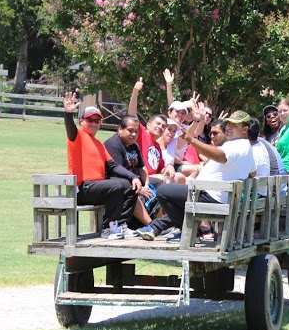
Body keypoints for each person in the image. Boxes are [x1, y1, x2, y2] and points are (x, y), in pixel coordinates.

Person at [136, 106, 256, 242]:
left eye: (234, 125)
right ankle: (154, 227)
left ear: (245, 129)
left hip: (209, 195)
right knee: (179, 196)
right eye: (228, 123)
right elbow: (253, 173)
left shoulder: (235, 145)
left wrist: (192, 140)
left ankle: (188, 231)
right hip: (214, 195)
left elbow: (220, 156)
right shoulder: (246, 148)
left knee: (164, 191)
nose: (229, 127)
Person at [62, 92, 140, 239]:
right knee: (115, 186)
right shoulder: (77, 136)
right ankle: (108, 228)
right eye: (90, 119)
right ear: (81, 121)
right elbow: (70, 128)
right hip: (82, 189)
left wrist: (133, 177)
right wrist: (68, 113)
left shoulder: (98, 144)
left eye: (97, 120)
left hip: (96, 188)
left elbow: (114, 165)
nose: (93, 123)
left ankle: (121, 225)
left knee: (129, 184)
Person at [104, 115, 159, 228]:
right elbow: (117, 171)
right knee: (130, 187)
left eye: (136, 131)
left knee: (158, 184)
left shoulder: (134, 145)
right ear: (120, 128)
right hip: (118, 183)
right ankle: (151, 225)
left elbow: (141, 167)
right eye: (130, 130)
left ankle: (160, 222)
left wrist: (147, 184)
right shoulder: (113, 144)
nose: (133, 134)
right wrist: (140, 188)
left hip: (134, 180)